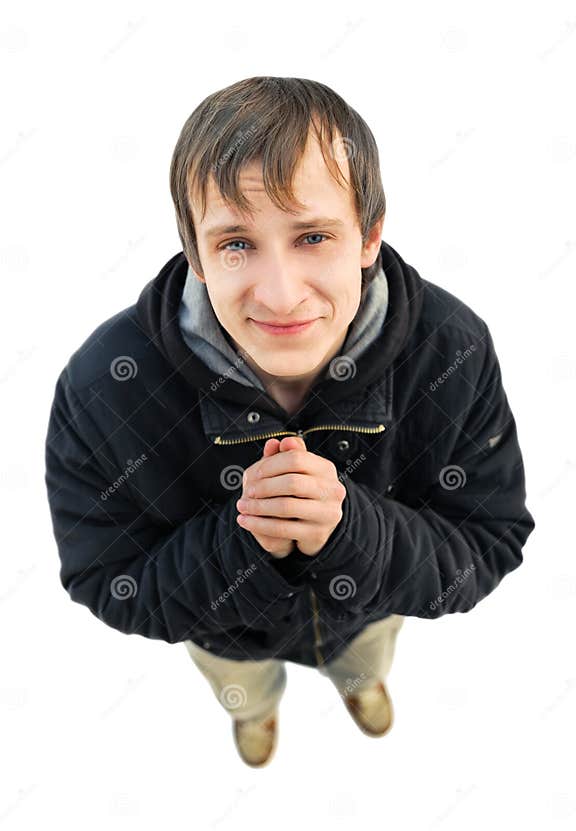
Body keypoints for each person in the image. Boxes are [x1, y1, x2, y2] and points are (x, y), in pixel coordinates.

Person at [44, 76, 536, 768]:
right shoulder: (104, 387)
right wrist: (244, 543)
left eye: (312, 235)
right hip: (228, 640)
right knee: (243, 687)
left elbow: (489, 540)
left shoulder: (450, 350)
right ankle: (259, 714)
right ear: (195, 254)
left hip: (365, 615)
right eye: (237, 244)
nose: (279, 293)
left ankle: (361, 689)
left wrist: (353, 533)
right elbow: (107, 578)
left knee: (362, 659)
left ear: (368, 235)